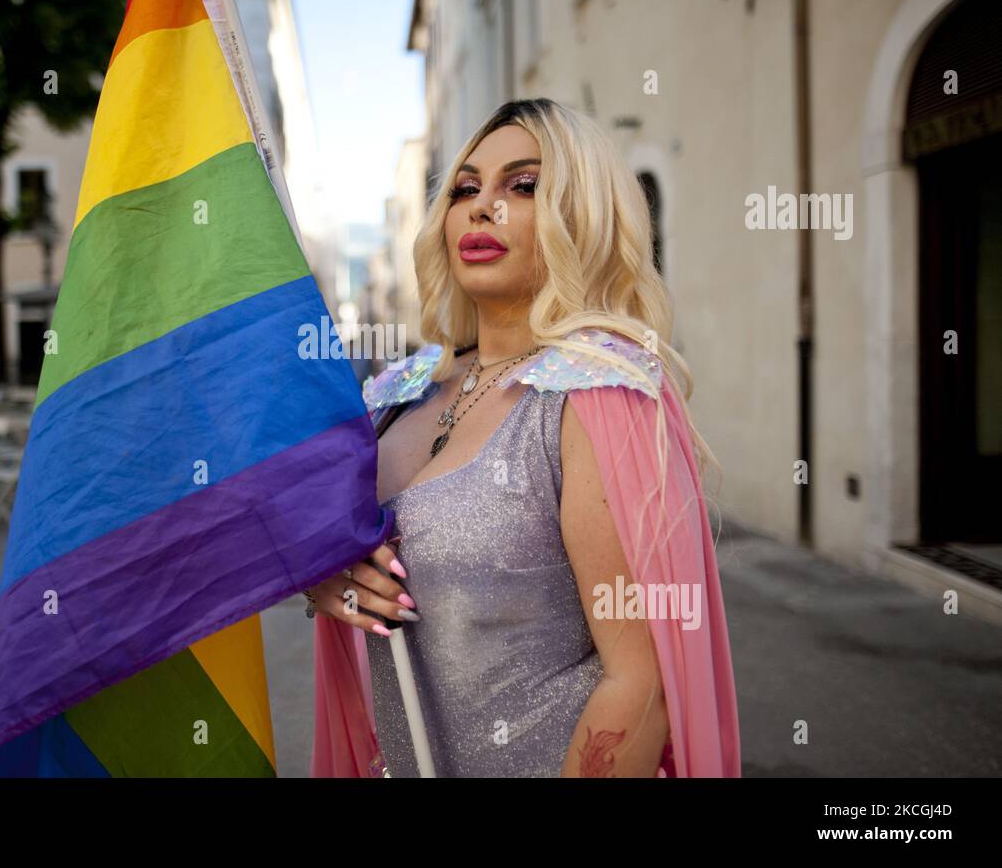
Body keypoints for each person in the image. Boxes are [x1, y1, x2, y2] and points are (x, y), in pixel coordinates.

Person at [305, 98, 740, 777]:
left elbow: (643, 682)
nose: (483, 207)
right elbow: (307, 539)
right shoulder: (395, 394)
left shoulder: (600, 393)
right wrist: (326, 577)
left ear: (583, 214)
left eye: (523, 186)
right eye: (466, 188)